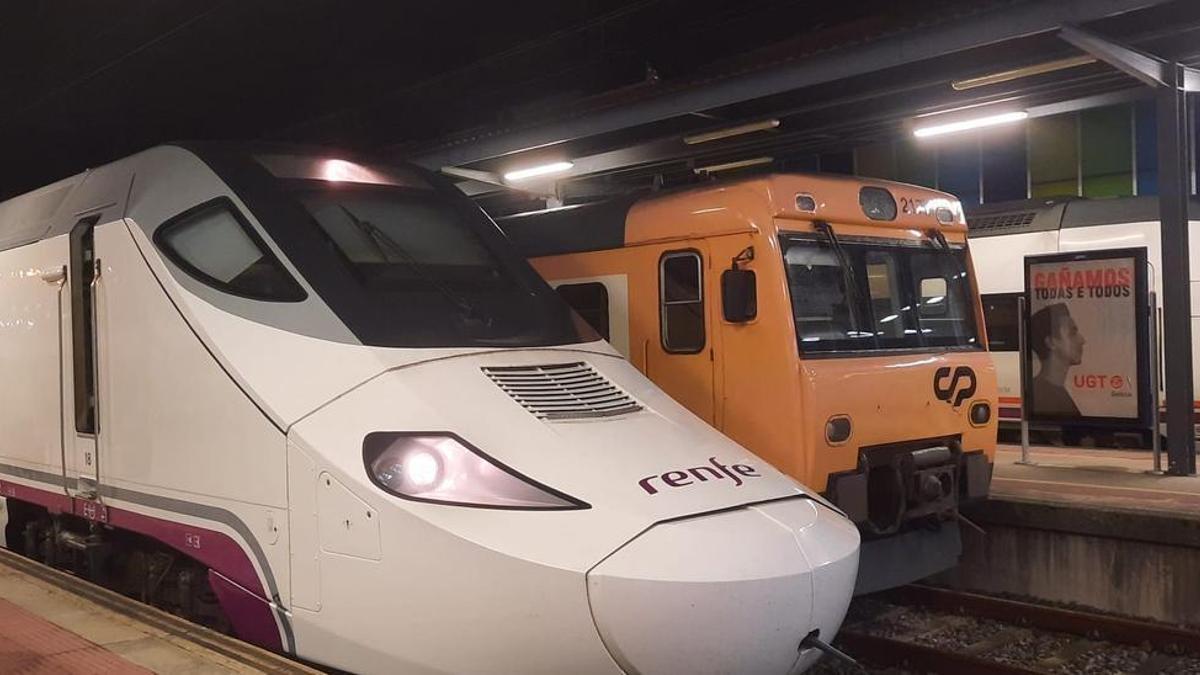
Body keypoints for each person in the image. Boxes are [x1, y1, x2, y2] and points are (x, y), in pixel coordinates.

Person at [1030, 302, 1085, 418]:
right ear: (1051, 342)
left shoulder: (1050, 390)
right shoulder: (1043, 396)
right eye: (1072, 333)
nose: (1082, 340)